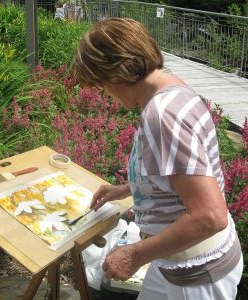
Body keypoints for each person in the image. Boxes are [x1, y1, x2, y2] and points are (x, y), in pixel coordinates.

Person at [73, 18, 243, 300]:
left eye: (101, 84)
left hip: (197, 273)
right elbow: (182, 169)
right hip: (174, 261)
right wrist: (127, 189)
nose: (106, 94)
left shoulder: (162, 114)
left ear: (116, 72)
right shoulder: (173, 88)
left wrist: (134, 254)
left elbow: (209, 216)